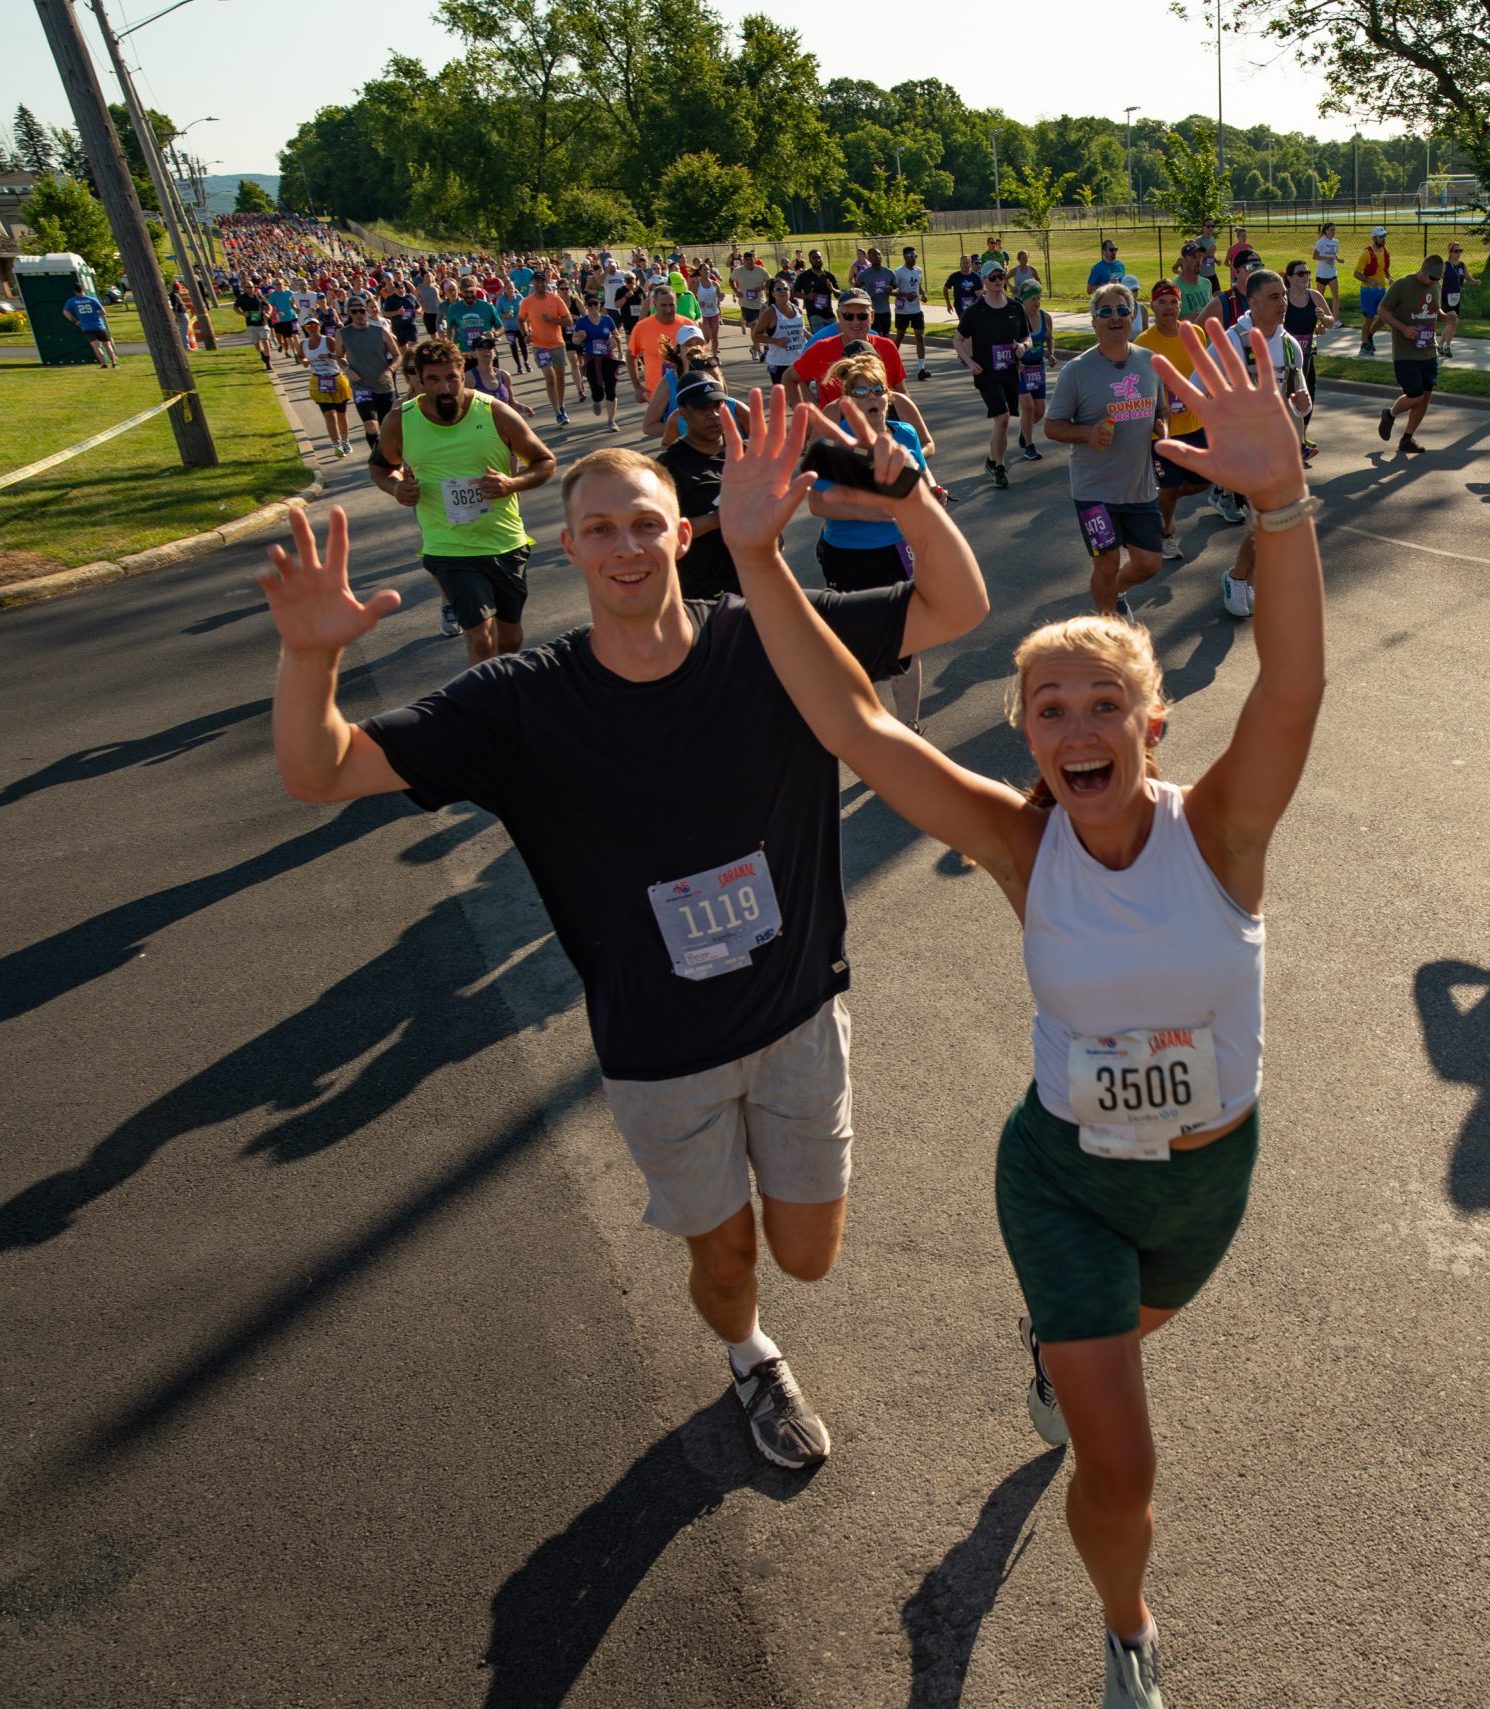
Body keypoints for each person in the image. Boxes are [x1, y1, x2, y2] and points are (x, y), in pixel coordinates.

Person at [711, 320, 1325, 1709]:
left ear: (1151, 726)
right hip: (1060, 1177)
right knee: (1122, 1460)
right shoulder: (1018, 843)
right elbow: (859, 726)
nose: (1076, 724)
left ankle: (1061, 1351)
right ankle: (1128, 1630)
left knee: (1112, 1351)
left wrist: (1281, 505)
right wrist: (755, 558)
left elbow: (1291, 686)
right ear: (1028, 735)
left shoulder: (1222, 833)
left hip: (1205, 1175)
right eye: (1049, 707)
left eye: (1105, 701)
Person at [254, 431, 989, 1476]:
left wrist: (906, 492)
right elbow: (319, 772)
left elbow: (955, 607)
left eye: (646, 523)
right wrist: (309, 654)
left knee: (807, 1253)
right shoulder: (518, 702)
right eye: (600, 529)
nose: (626, 545)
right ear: (568, 548)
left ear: (683, 536)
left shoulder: (773, 638)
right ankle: (750, 1354)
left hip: (796, 1015)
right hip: (660, 1050)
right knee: (727, 1261)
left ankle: (764, 1309)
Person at [370, 337, 557, 659]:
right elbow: (381, 467)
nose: (444, 388)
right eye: (433, 379)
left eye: (451, 378)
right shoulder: (401, 420)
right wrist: (396, 488)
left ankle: (501, 683)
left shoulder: (495, 412)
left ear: (462, 374)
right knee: (479, 637)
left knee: (510, 638)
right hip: (448, 547)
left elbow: (545, 462)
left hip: (504, 541)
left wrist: (511, 484)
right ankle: (483, 693)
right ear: (419, 380)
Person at [806, 349, 931, 728]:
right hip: (850, 555)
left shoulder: (905, 434)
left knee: (906, 641)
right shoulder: (834, 444)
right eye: (861, 392)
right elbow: (816, 504)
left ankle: (908, 726)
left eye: (878, 389)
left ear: (888, 396)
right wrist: (877, 511)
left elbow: (921, 481)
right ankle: (862, 725)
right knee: (856, 643)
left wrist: (929, 497)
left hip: (900, 551)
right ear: (848, 401)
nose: (872, 398)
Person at [1043, 281, 1165, 622]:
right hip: (1094, 490)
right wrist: (1087, 433)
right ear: (1094, 321)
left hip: (1139, 487)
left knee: (1149, 564)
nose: (1115, 317)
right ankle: (1108, 624)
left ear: (1133, 317)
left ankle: (1114, 591)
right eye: (1106, 312)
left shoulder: (1150, 362)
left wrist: (1162, 428)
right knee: (1107, 563)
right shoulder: (1077, 371)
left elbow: (1160, 411)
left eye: (1123, 310)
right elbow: (1052, 426)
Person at [1221, 269, 1312, 618]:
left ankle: (1244, 579)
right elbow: (1200, 387)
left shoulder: (1290, 346)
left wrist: (1301, 403)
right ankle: (1237, 578)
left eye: (1284, 295)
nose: (1283, 303)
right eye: (1274, 297)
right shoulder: (1233, 341)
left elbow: (1297, 400)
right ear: (1253, 301)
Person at [1137, 282, 1209, 566]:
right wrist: (1162, 390)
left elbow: (1204, 369)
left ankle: (1160, 502)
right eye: (1162, 302)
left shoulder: (1195, 333)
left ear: (1180, 306)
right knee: (1170, 485)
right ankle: (1165, 533)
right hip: (1161, 427)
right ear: (1153, 306)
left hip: (1193, 422)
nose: (1168, 307)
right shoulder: (1143, 342)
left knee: (1204, 480)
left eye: (1173, 302)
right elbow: (1135, 383)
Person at [654, 375, 739, 601]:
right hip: (703, 592)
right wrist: (715, 519)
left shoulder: (744, 452)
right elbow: (661, 532)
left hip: (753, 577)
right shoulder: (670, 466)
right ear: (682, 412)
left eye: (718, 405)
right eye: (702, 408)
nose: (714, 415)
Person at [957, 260, 1031, 490]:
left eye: (1001, 277)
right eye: (993, 278)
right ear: (984, 281)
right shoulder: (975, 311)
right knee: (1002, 418)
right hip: (986, 373)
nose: (998, 281)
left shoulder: (1015, 308)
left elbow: (1027, 337)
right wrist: (970, 362)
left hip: (1009, 372)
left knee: (1002, 421)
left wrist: (1023, 347)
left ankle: (991, 460)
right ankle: (999, 467)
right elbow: (958, 340)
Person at [1373, 254, 1444, 456]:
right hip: (1406, 353)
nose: (1433, 281)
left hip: (1428, 350)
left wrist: (1447, 317)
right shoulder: (1402, 285)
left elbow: (1434, 311)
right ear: (1422, 270)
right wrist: (1403, 328)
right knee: (1415, 396)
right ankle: (1390, 414)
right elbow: (1382, 311)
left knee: (1426, 395)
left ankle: (1407, 438)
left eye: (1437, 279)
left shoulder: (1435, 286)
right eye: (1431, 277)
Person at [791, 292, 908, 412]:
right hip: (837, 423)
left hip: (879, 421)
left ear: (872, 316)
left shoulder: (887, 347)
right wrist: (814, 414)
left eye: (862, 316)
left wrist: (905, 420)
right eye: (848, 316)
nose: (856, 322)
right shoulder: (822, 349)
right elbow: (790, 379)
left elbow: (901, 391)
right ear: (839, 316)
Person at [1281, 260, 1333, 463]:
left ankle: (1301, 436)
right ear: (1289, 277)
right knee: (1290, 399)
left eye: (1307, 273)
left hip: (1308, 354)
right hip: (1286, 358)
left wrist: (1323, 318)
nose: (1305, 277)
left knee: (1308, 397)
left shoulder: (1315, 296)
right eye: (1300, 273)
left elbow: (1330, 321)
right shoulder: (1283, 298)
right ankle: (1294, 444)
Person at [337, 295, 402, 456]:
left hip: (384, 386)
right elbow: (338, 357)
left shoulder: (380, 331)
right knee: (371, 426)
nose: (359, 314)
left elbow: (397, 356)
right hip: (361, 387)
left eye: (362, 311)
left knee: (387, 427)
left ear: (366, 311)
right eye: (354, 312)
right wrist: (347, 369)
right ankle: (378, 456)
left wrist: (390, 370)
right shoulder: (343, 334)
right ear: (349, 313)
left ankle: (391, 455)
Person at [519, 272, 576, 428]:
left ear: (546, 282)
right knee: (550, 377)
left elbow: (569, 321)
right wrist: (526, 334)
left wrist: (553, 320)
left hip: (557, 344)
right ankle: (557, 412)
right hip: (539, 346)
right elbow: (521, 319)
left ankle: (562, 405)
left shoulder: (555, 299)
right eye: (537, 282)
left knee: (560, 378)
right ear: (533, 283)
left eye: (542, 281)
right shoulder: (527, 302)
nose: (540, 284)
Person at [627, 284, 699, 401]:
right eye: (663, 305)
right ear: (655, 304)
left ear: (676, 303)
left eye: (671, 305)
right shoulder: (642, 327)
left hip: (686, 393)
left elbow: (702, 357)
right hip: (656, 396)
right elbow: (630, 357)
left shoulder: (688, 326)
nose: (668, 310)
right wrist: (637, 387)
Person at [1014, 281, 1055, 463]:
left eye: (1038, 298)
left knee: (1039, 411)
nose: (1037, 302)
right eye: (1032, 299)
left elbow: (1049, 338)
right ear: (1023, 300)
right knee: (1028, 407)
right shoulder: (1017, 319)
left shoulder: (1046, 317)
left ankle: (1025, 430)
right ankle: (1029, 447)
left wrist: (1051, 353)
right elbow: (1009, 344)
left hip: (1038, 368)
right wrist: (1016, 362)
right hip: (1021, 369)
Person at [304, 319, 356, 457]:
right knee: (329, 414)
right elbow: (301, 356)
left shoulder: (328, 340)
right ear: (305, 328)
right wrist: (304, 361)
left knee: (341, 414)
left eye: (315, 325)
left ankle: (345, 440)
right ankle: (336, 444)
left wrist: (328, 356)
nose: (312, 328)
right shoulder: (303, 343)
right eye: (309, 325)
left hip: (336, 379)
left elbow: (342, 358)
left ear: (319, 326)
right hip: (319, 381)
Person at [573, 295, 624, 429]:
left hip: (608, 357)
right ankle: (596, 400)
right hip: (591, 359)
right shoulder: (582, 322)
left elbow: (617, 335)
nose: (592, 307)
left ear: (600, 306)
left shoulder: (607, 320)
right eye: (589, 304)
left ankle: (611, 421)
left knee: (611, 389)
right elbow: (574, 340)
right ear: (586, 306)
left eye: (595, 304)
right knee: (597, 390)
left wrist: (613, 338)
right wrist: (580, 337)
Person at [758, 279, 809, 397]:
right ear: (773, 293)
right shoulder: (770, 313)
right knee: (782, 398)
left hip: (798, 360)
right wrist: (775, 341)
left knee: (801, 396)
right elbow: (755, 335)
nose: (783, 291)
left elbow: (802, 330)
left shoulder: (797, 309)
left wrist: (813, 338)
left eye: (785, 288)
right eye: (779, 289)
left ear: (789, 291)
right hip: (779, 363)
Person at [890, 245, 931, 378]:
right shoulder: (898, 272)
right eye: (911, 256)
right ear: (905, 257)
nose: (914, 258)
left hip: (916, 310)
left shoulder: (918, 270)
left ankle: (921, 368)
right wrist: (905, 295)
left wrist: (924, 294)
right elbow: (892, 291)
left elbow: (919, 286)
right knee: (900, 336)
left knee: (920, 337)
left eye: (915, 256)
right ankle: (891, 364)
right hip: (902, 311)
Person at [1354, 227, 1394, 356]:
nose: (1383, 239)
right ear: (1374, 238)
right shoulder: (1366, 254)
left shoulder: (1385, 252)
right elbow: (1356, 273)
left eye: (1384, 236)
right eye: (1380, 237)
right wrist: (1368, 280)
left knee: (1384, 316)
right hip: (1368, 290)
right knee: (1369, 317)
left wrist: (1389, 277)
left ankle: (1370, 335)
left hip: (1381, 289)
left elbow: (1385, 269)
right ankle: (1364, 343)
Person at [59, 283, 117, 369]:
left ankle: (104, 364)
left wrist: (75, 321)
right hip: (99, 325)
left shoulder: (71, 301)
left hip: (86, 327)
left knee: (96, 347)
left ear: (74, 291)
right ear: (83, 289)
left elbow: (65, 312)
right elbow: (103, 312)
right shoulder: (92, 299)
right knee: (107, 345)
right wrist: (96, 315)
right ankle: (114, 363)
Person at [731, 250, 772, 359]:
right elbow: (731, 280)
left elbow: (770, 282)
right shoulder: (738, 271)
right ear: (743, 261)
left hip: (760, 304)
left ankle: (754, 348)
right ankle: (758, 351)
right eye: (747, 260)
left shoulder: (761, 271)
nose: (750, 261)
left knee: (762, 328)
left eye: (751, 259)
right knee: (754, 326)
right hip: (746, 304)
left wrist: (762, 287)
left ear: (754, 259)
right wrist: (736, 291)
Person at [1436, 238, 1470, 357]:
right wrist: (1437, 288)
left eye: (1460, 251)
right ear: (1450, 252)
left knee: (1453, 322)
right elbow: (1437, 277)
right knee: (1453, 320)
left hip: (1456, 298)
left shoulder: (1462, 265)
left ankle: (1440, 345)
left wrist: (1475, 281)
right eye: (1456, 251)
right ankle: (1447, 347)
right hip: (1446, 297)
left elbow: (1468, 277)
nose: (1458, 253)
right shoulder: (1446, 265)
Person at [1311, 222, 1341, 316]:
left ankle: (1335, 319)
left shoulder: (1336, 242)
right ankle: (1322, 319)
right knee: (1320, 298)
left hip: (1332, 273)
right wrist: (1327, 258)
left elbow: (1334, 252)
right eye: (1331, 230)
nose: (1333, 232)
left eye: (1334, 230)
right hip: (1322, 274)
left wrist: (1338, 259)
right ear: (1326, 231)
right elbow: (1314, 256)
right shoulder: (1321, 242)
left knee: (1336, 297)